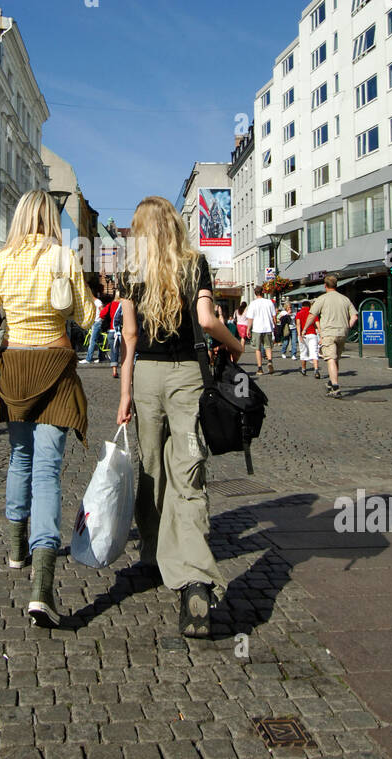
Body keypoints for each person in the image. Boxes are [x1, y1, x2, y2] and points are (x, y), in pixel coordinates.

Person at [0, 190, 95, 627]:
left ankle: (17, 550)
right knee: (48, 470)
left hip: (13, 366)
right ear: (51, 218)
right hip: (54, 362)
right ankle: (43, 587)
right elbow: (87, 316)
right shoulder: (64, 256)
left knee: (20, 458)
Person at [116, 196, 245, 638]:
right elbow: (207, 321)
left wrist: (124, 394)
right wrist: (237, 346)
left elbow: (129, 338)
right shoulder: (196, 263)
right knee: (188, 472)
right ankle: (193, 580)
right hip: (190, 377)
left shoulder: (131, 270)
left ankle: (152, 555)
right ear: (174, 224)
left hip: (147, 378)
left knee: (151, 467)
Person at [309, 275, 358, 398]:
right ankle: (331, 381)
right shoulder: (345, 299)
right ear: (336, 285)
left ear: (325, 286)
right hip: (342, 333)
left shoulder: (322, 299)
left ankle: (335, 387)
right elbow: (354, 316)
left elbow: (312, 315)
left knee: (330, 358)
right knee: (335, 358)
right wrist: (348, 326)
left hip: (328, 333)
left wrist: (304, 329)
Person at [245, 285, 277, 375]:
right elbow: (274, 316)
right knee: (268, 346)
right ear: (263, 292)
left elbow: (250, 318)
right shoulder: (269, 302)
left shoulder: (253, 304)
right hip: (268, 328)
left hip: (257, 329)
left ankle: (260, 368)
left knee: (257, 348)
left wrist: (248, 329)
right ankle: (270, 361)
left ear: (255, 293)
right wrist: (275, 326)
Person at [295, 297, 320, 377]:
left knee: (303, 352)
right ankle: (316, 370)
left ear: (302, 306)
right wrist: (321, 335)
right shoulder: (312, 313)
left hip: (303, 335)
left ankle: (303, 369)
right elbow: (318, 325)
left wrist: (299, 335)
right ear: (309, 306)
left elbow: (298, 324)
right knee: (314, 352)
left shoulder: (299, 314)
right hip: (312, 334)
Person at [80, 294, 106, 365]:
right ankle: (102, 357)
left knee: (92, 340)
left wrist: (101, 318)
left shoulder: (97, 301)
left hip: (97, 322)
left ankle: (89, 358)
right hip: (96, 322)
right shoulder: (93, 302)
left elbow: (102, 309)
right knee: (100, 340)